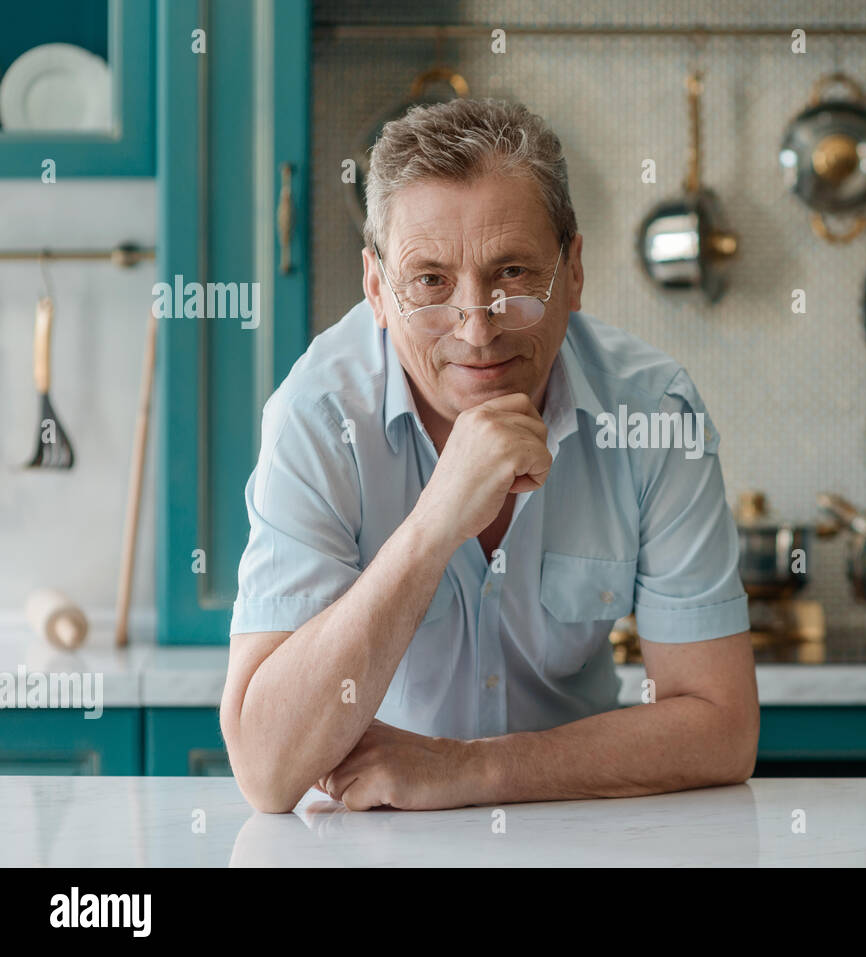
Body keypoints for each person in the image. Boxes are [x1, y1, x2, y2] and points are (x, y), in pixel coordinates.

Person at [220, 97, 757, 812]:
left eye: (512, 274)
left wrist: (470, 770)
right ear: (377, 288)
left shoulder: (652, 412)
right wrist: (434, 524)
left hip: (583, 830)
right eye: (431, 281)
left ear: (573, 273)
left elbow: (722, 728)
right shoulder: (316, 418)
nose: (477, 330)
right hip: (376, 839)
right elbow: (265, 768)